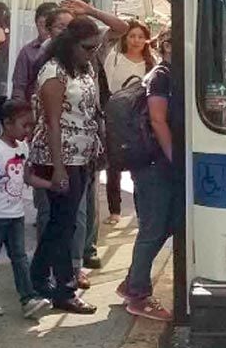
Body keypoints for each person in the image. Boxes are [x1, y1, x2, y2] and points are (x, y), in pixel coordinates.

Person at [28, 16, 104, 314]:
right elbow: (52, 123)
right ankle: (63, 288)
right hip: (58, 156)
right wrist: (59, 167)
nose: (92, 53)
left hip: (82, 155)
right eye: (87, 48)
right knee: (64, 223)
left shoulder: (83, 67)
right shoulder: (53, 72)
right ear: (71, 44)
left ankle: (39, 277)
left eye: (95, 48)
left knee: (63, 222)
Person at [117, 28, 178, 321]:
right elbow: (157, 119)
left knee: (164, 224)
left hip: (157, 164)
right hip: (154, 164)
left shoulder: (168, 73)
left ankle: (132, 281)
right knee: (154, 228)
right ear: (165, 46)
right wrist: (174, 159)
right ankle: (138, 294)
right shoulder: (161, 76)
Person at [0, 96, 51, 319]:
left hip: (15, 213)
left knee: (19, 256)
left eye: (30, 125)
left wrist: (50, 185)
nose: (28, 130)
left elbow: (27, 177)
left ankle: (28, 299)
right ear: (7, 123)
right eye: (24, 125)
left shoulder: (22, 147)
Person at [102, 19, 157, 225]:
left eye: (140, 37)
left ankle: (140, 209)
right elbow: (106, 86)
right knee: (114, 163)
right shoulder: (114, 59)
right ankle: (114, 210)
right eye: (132, 36)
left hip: (141, 120)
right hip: (117, 117)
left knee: (139, 162)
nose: (136, 40)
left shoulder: (152, 63)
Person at [11, 1, 57, 103]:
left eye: (51, 26)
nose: (47, 30)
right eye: (43, 25)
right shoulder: (27, 52)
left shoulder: (66, 52)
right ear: (36, 24)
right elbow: (19, 86)